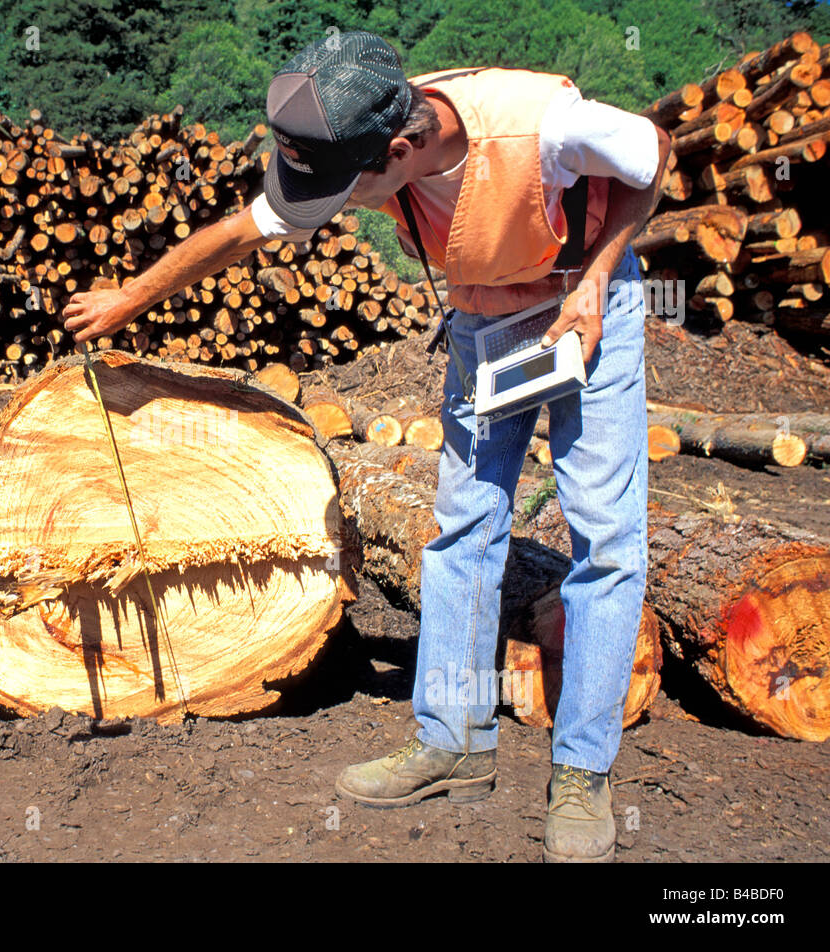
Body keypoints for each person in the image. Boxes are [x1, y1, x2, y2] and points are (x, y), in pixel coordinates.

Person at [63, 30, 671, 863]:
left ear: (401, 148)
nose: (334, 205)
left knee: (603, 535)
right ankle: (454, 741)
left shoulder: (546, 124)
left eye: (348, 188)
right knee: (463, 527)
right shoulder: (349, 134)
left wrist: (601, 277)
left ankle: (582, 772)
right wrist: (131, 297)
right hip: (485, 322)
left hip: (585, 308)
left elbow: (653, 156)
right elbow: (245, 230)